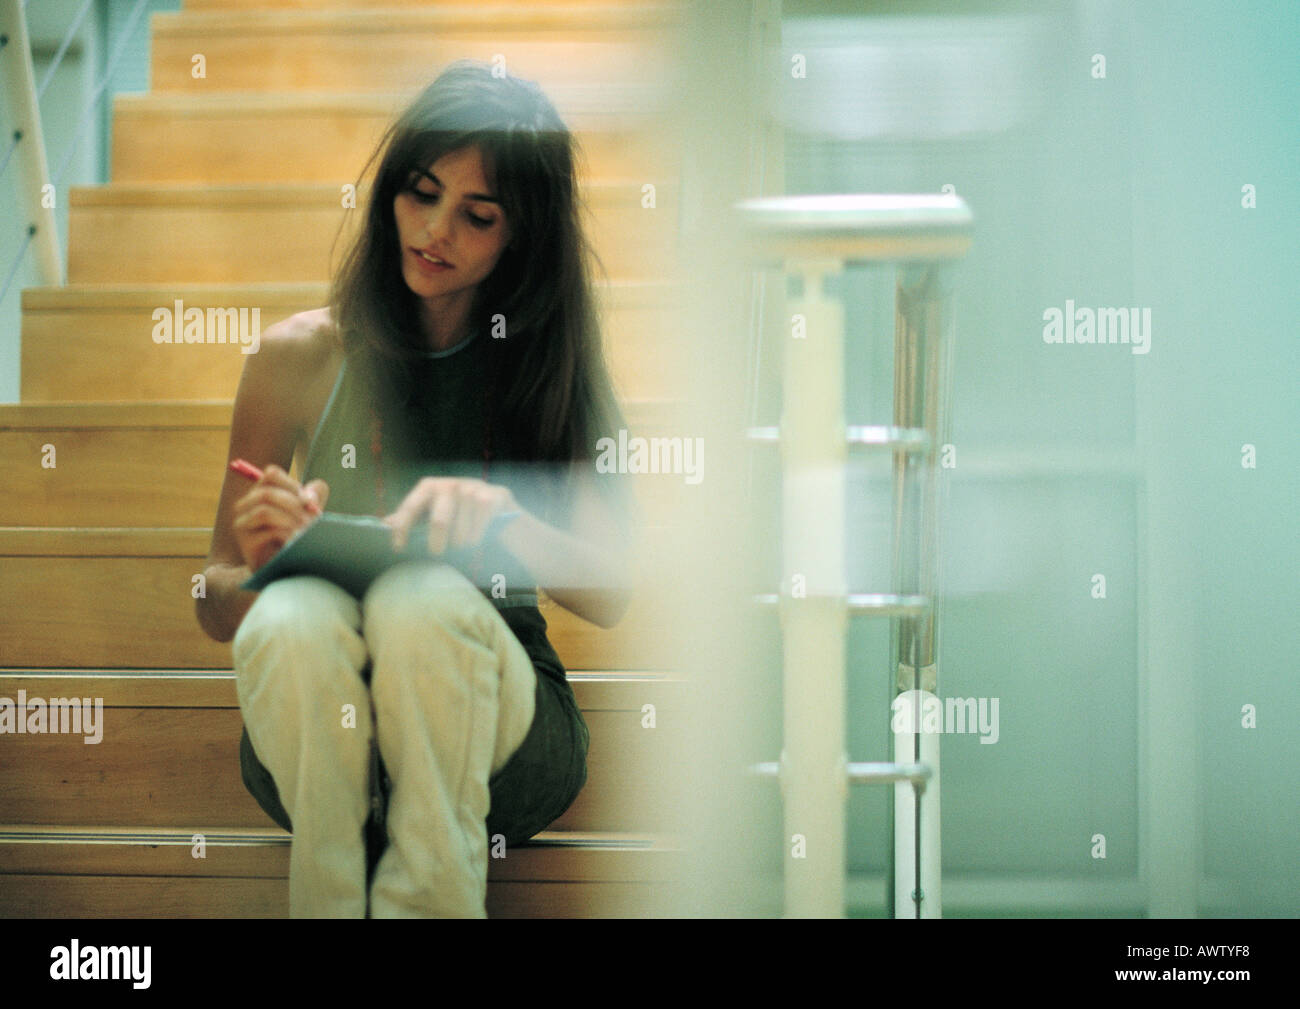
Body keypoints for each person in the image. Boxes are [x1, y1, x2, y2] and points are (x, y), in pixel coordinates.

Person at [195, 61, 637, 918]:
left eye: (478, 216)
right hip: (322, 738)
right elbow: (213, 602)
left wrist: (508, 523)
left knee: (422, 601)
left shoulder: (552, 365)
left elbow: (616, 589)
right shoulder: (296, 356)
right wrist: (259, 565)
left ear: (522, 236)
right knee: (293, 615)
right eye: (420, 194)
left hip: (494, 730)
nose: (434, 232)